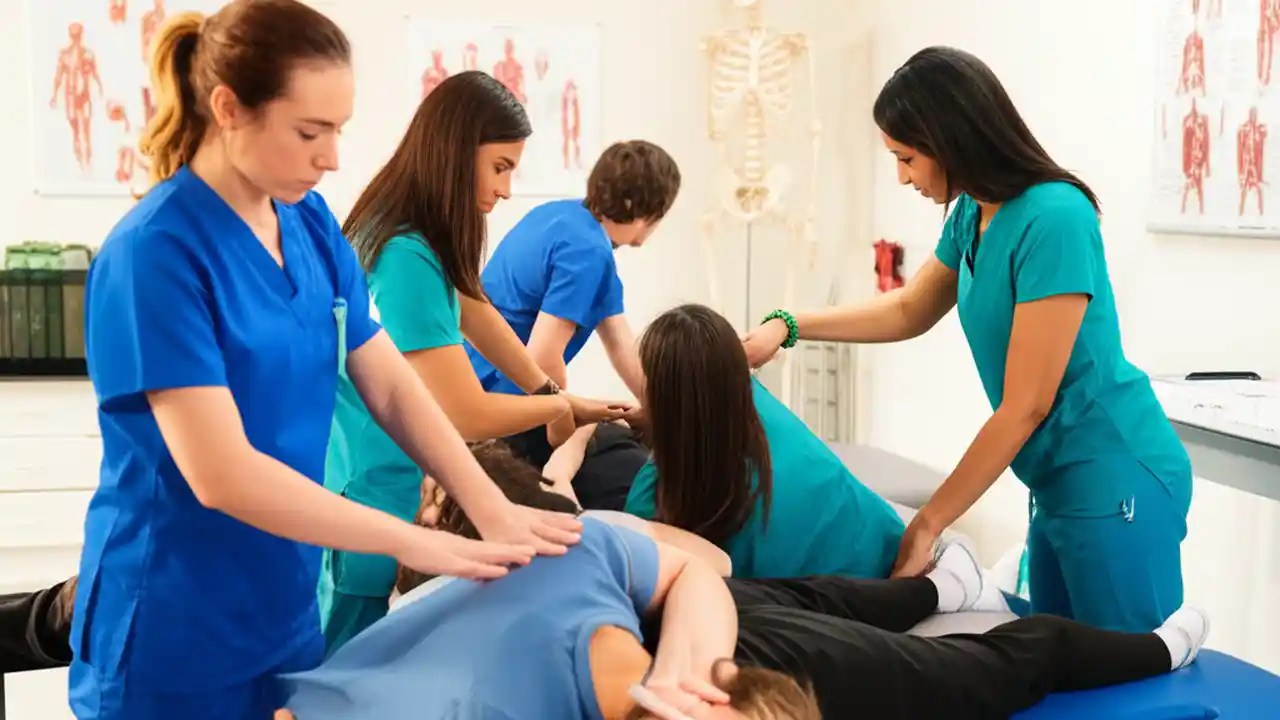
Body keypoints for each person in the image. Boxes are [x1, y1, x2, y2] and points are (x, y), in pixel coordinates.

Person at [70, 3, 579, 718]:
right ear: (228, 109)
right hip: (174, 619)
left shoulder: (307, 223)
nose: (332, 156)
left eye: (337, 130)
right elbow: (224, 476)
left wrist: (486, 503)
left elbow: (390, 383)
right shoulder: (154, 253)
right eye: (309, 132)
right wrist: (416, 543)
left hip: (283, 601)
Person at [742, 46, 1193, 634]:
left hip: (1115, 475)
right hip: (1054, 482)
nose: (901, 177)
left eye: (906, 158)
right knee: (1062, 665)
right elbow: (909, 309)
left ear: (949, 139)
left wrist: (930, 522)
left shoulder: (1055, 217)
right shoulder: (972, 214)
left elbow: (1025, 406)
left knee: (1129, 679)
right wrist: (788, 325)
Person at [276, 454, 1211, 720]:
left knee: (942, 660)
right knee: (851, 616)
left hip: (708, 639)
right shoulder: (562, 552)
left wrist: (697, 659)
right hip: (695, 645)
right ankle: (938, 593)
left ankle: (935, 592)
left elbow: (706, 570)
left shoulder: (574, 541)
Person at [319, 69, 625, 654]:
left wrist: (544, 389)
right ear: (455, 156)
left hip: (384, 488)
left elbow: (473, 309)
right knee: (344, 678)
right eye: (500, 167)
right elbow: (463, 414)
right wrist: (563, 404)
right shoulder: (405, 254)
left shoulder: (413, 237)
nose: (506, 190)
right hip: (373, 493)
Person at [624, 304, 907, 581]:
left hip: (839, 603)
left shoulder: (652, 502)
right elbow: (706, 400)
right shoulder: (752, 395)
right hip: (893, 548)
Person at [467, 140, 682, 468]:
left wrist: (662, 413)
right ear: (646, 212)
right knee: (621, 463)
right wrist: (562, 431)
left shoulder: (565, 218)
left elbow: (618, 338)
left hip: (478, 388)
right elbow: (543, 356)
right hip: (501, 406)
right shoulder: (588, 251)